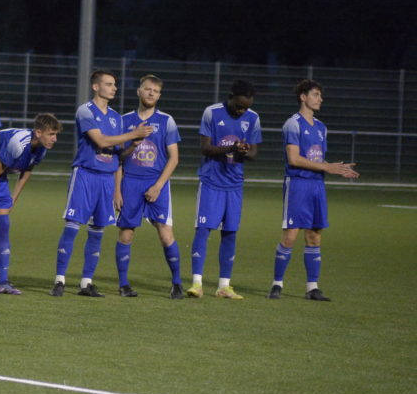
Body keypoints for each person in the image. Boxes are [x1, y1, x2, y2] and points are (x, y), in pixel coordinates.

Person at [51, 70, 153, 297]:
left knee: (97, 231)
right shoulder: (85, 110)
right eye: (109, 84)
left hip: (107, 180)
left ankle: (86, 283)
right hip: (86, 175)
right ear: (96, 87)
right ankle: (59, 280)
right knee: (72, 226)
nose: (114, 88)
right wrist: (132, 134)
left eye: (114, 85)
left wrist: (133, 145)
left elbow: (118, 156)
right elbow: (101, 140)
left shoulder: (116, 118)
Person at [269, 80, 359, 301]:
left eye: (320, 95)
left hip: (317, 185)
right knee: (290, 237)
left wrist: (336, 168)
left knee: (314, 236)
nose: (320, 99)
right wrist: (327, 167)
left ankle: (312, 288)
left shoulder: (321, 127)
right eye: (316, 94)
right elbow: (294, 158)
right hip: (298, 184)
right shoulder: (293, 124)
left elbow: (315, 159)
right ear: (303, 96)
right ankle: (277, 284)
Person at [186, 80, 261, 300]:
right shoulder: (212, 113)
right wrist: (232, 147)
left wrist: (245, 151)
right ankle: (197, 284)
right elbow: (206, 148)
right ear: (230, 97)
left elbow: (255, 154)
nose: (241, 111)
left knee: (230, 232)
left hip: (235, 184)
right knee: (203, 229)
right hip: (211, 182)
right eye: (238, 106)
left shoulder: (253, 118)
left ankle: (224, 286)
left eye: (245, 107)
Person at [113, 75, 183, 299]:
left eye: (156, 91)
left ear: (159, 95)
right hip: (130, 182)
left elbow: (174, 158)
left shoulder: (166, 121)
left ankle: (177, 283)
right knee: (126, 233)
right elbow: (119, 158)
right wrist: (117, 190)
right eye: (148, 89)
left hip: (156, 183)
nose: (152, 93)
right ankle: (123, 285)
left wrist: (158, 186)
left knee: (165, 233)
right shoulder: (124, 121)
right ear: (139, 92)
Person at [0, 113, 61, 295]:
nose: (54, 139)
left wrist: (13, 198)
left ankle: (4, 281)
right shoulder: (18, 143)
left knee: (3, 224)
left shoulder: (41, 147)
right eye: (51, 134)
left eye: (56, 135)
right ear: (38, 132)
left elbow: (27, 170)